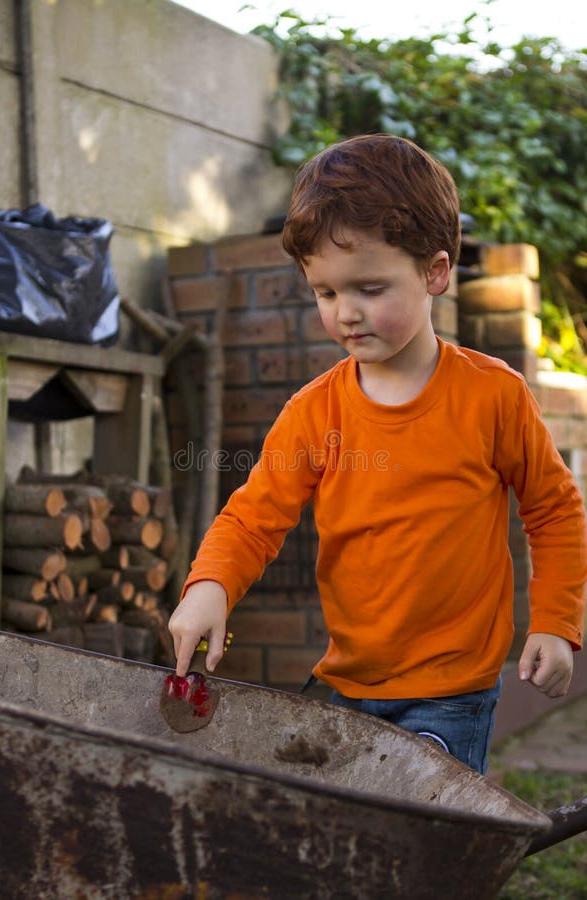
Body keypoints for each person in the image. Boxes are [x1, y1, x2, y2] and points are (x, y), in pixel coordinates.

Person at [168, 134, 587, 774]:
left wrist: (556, 623)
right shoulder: (315, 412)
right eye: (326, 293)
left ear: (435, 272)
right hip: (350, 685)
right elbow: (252, 518)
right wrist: (211, 586)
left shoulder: (493, 396)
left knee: (426, 840)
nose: (346, 314)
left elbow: (555, 513)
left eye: (369, 287)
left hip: (453, 693)